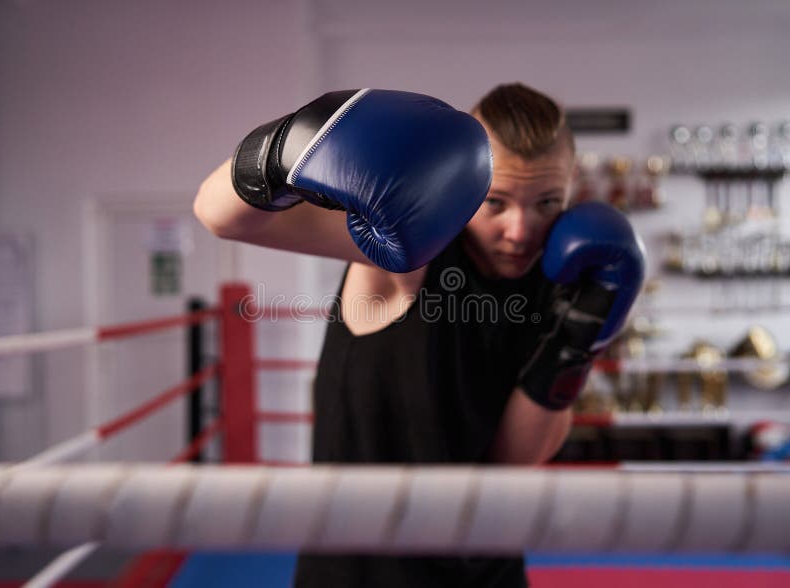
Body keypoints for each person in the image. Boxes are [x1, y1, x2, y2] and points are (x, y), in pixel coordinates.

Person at [194, 83, 645, 588]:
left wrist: (574, 342)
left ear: (571, 188)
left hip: (483, 569)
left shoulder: (565, 277)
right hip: (360, 573)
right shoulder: (413, 247)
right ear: (469, 184)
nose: (521, 230)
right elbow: (217, 215)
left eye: (545, 202)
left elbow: (511, 463)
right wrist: (285, 148)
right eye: (496, 202)